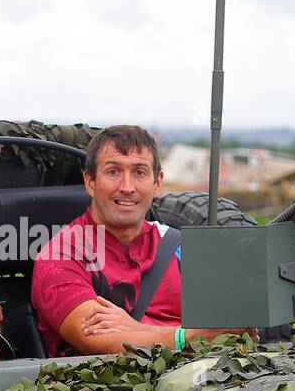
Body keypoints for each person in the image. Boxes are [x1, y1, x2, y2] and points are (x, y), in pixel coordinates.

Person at [31, 125, 245, 356]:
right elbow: (97, 341)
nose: (127, 187)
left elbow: (231, 324)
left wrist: (138, 329)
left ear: (157, 184)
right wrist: (187, 336)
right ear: (90, 181)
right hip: (105, 388)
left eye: (139, 172)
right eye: (113, 172)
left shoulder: (180, 248)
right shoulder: (60, 257)